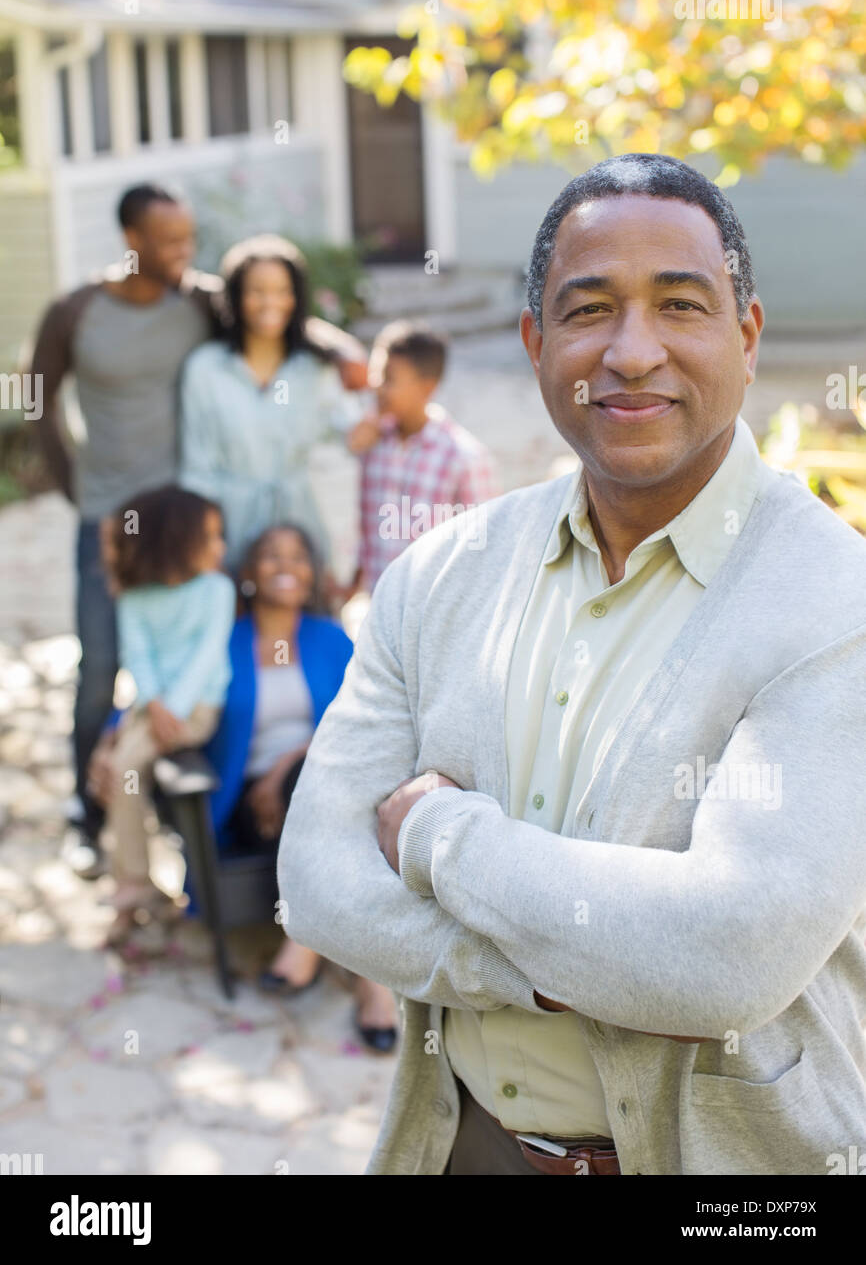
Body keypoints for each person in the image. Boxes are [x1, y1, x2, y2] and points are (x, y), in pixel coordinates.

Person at [278, 153, 866, 1175]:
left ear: (745, 334)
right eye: (588, 310)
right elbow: (318, 878)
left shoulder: (832, 602)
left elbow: (723, 957)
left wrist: (435, 832)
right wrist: (556, 965)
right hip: (465, 1146)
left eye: (680, 306)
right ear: (534, 342)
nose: (632, 352)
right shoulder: (440, 574)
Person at [28, 184, 366, 876]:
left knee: (226, 646)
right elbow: (37, 398)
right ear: (131, 238)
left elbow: (276, 308)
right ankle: (89, 817)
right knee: (102, 667)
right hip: (113, 522)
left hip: (188, 519)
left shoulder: (197, 297)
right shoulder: (77, 311)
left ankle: (255, 802)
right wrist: (77, 489)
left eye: (189, 240)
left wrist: (341, 346)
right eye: (171, 241)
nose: (186, 253)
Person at [205, 523, 398, 1052]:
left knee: (313, 787)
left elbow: (363, 716)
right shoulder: (225, 640)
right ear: (248, 573)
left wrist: (287, 762)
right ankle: (373, 986)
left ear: (312, 572)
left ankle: (308, 945)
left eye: (298, 555)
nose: (286, 565)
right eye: (271, 555)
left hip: (315, 780)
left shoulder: (327, 637)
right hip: (253, 802)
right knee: (331, 808)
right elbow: (166, 694)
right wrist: (112, 742)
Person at [87, 485, 236, 947]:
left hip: (196, 710)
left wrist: (170, 709)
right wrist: (152, 702)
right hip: (150, 711)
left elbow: (207, 655)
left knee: (125, 767)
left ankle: (131, 883)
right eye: (211, 536)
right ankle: (136, 884)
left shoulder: (217, 589)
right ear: (177, 540)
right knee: (115, 770)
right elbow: (139, 654)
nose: (221, 547)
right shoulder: (136, 597)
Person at [179, 235, 371, 576]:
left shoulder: (313, 367)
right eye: (257, 291)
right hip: (232, 531)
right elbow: (197, 470)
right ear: (236, 296)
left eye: (283, 291)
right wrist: (208, 549)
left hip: (301, 526)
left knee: (312, 622)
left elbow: (349, 433)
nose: (271, 302)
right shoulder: (205, 369)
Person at [351, 321, 499, 592]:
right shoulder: (372, 444)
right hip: (378, 604)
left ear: (426, 387)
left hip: (433, 609)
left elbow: (484, 548)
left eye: (389, 378)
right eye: (376, 374)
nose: (377, 386)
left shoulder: (464, 457)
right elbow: (369, 530)